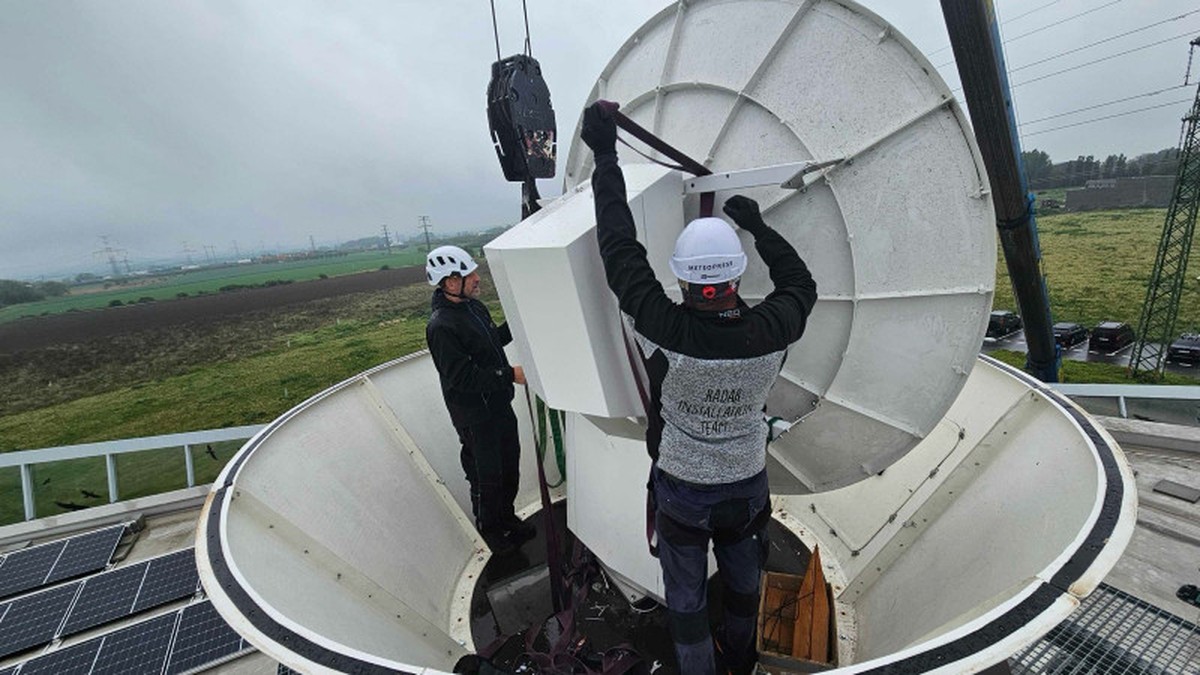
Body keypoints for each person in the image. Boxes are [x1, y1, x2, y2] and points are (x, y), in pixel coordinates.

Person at [581, 101, 818, 675]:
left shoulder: (663, 327)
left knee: (685, 601)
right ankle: (740, 659)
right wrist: (758, 226)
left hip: (683, 490)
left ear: (682, 278)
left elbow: (618, 250)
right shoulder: (774, 327)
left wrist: (605, 154)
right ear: (736, 276)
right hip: (745, 485)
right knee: (742, 584)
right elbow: (800, 283)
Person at [425, 245, 535, 556]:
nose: (477, 278)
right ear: (449, 282)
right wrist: (510, 374)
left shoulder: (475, 309)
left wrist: (516, 321)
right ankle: (491, 532)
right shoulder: (441, 326)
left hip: (498, 406)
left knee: (509, 466)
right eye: (470, 274)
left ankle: (507, 518)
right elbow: (462, 377)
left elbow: (493, 343)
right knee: (487, 476)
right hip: (475, 416)